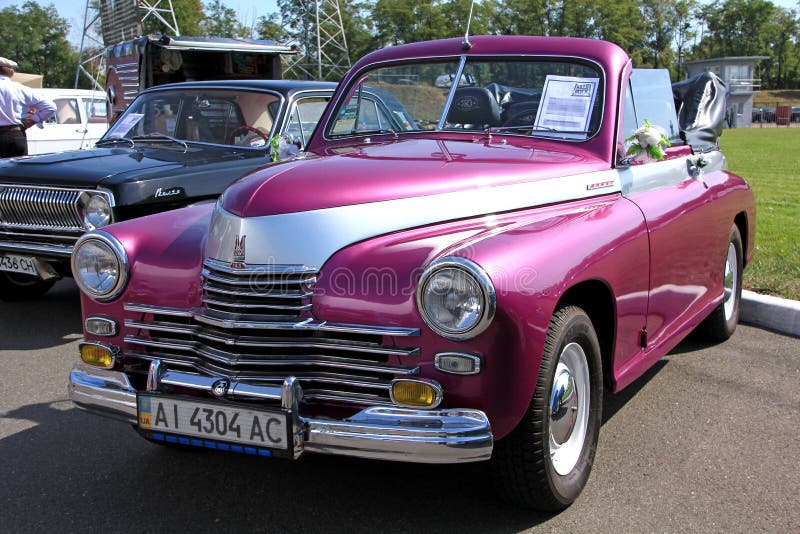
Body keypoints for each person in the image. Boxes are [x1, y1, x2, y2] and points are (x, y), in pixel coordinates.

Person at [0, 57, 56, 157]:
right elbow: (50, 106)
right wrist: (32, 120)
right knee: (18, 172)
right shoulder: (19, 88)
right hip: (15, 135)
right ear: (11, 73)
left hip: (12, 134)